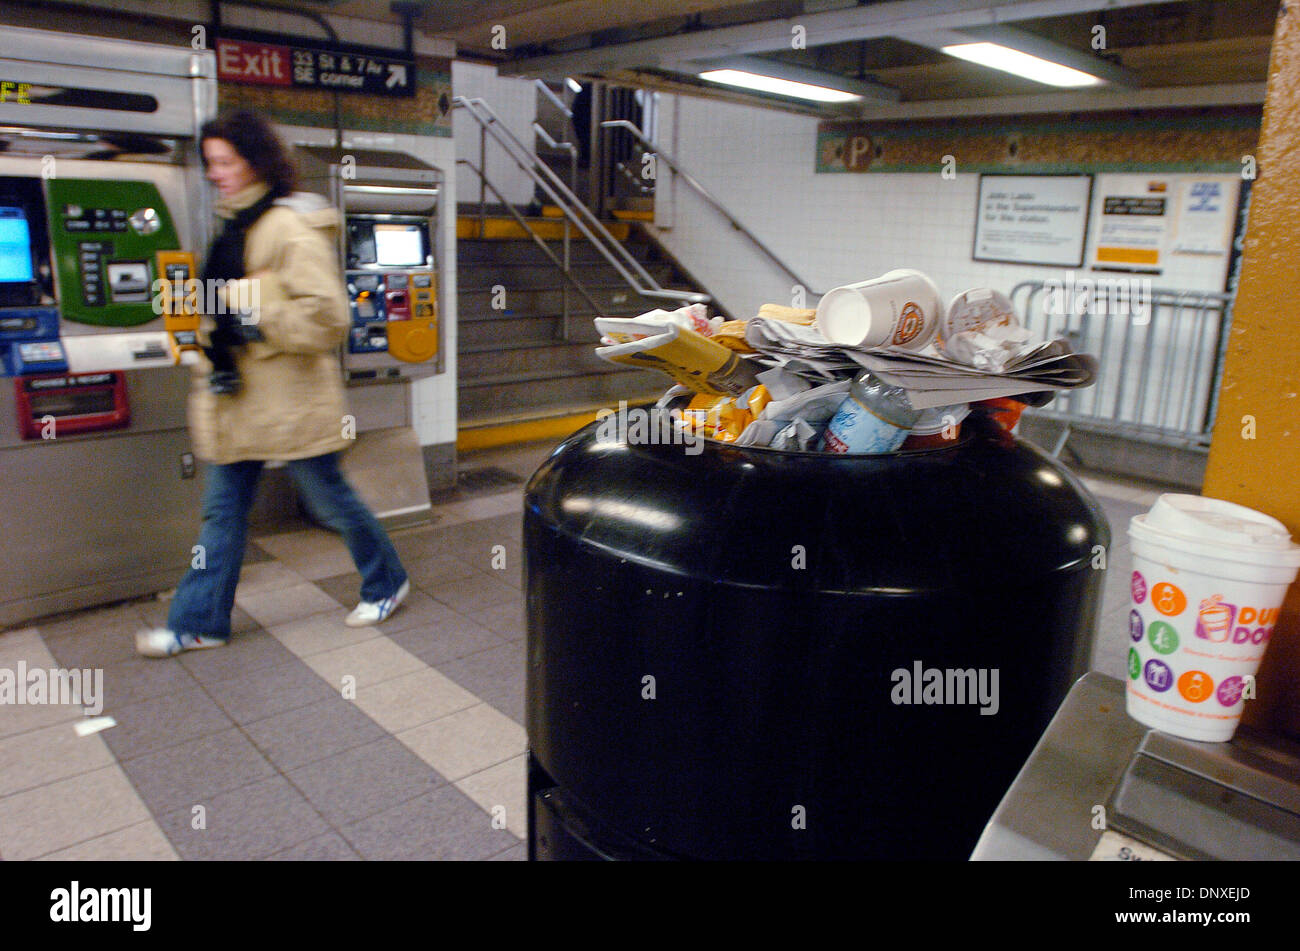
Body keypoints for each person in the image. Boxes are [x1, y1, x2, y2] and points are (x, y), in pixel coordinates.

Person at [137, 111, 409, 657]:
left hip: (289, 404)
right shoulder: (232, 229)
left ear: (255, 161)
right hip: (236, 400)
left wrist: (250, 311)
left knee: (332, 501)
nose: (215, 173)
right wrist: (209, 315)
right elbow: (220, 309)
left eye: (224, 162)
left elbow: (330, 317)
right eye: (210, 163)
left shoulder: (286, 227)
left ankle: (386, 581)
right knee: (223, 513)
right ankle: (201, 621)